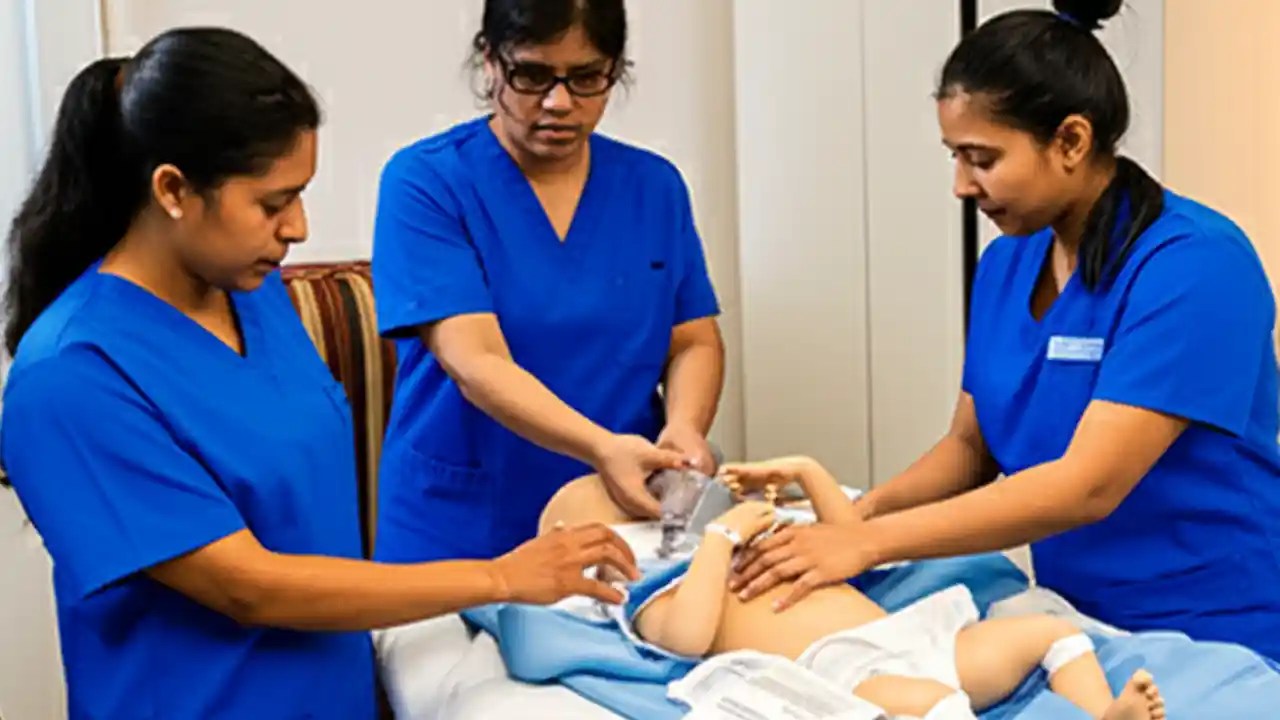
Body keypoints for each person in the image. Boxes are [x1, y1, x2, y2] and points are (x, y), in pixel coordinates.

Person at [0, 28, 639, 719]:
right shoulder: (72, 375)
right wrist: (500, 578)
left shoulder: (251, 293)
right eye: (273, 203)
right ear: (173, 190)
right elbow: (249, 586)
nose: (299, 227)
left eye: (300, 194)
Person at [727, 0, 1280, 663]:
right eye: (954, 156)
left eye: (982, 158)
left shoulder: (1195, 266)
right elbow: (970, 446)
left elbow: (1089, 485)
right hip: (1075, 619)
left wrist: (871, 543)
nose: (962, 185)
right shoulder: (1008, 262)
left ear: (1071, 142)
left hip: (1217, 626)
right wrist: (860, 515)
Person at [371, 0, 725, 564]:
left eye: (587, 78)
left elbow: (693, 340)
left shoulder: (654, 187)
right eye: (532, 75)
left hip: (617, 518)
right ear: (490, 62)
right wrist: (601, 447)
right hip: (465, 533)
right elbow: (476, 360)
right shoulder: (428, 183)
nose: (560, 103)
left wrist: (684, 428)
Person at [539, 471, 1167, 720]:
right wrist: (718, 543)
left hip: (915, 638)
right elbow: (689, 637)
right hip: (843, 665)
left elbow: (854, 540)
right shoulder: (660, 590)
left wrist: (808, 473)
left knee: (1051, 635)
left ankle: (1100, 718)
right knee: (938, 705)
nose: (661, 511)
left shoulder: (761, 541)